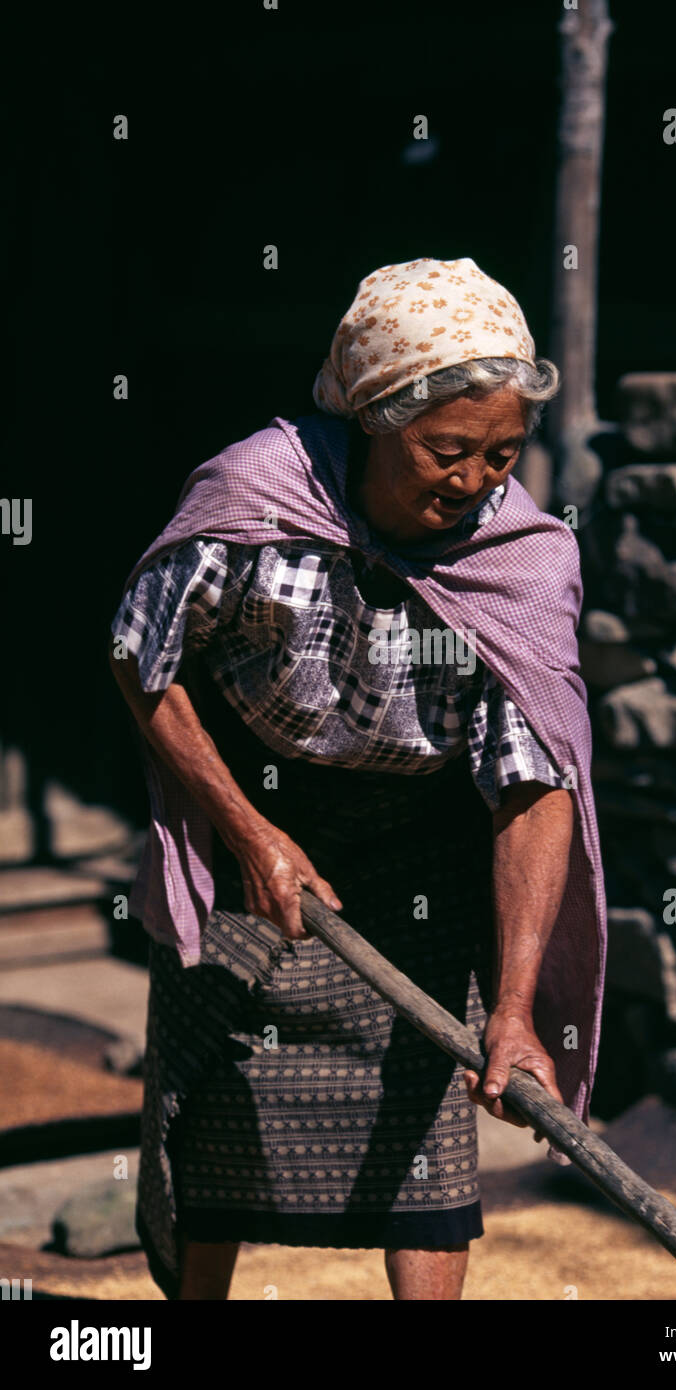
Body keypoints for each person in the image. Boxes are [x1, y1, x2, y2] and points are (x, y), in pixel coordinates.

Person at [109, 256, 606, 1301]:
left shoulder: (520, 556)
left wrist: (512, 1012)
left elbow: (531, 782)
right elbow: (140, 658)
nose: (473, 482)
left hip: (424, 840)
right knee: (214, 1111)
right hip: (253, 815)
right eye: (446, 451)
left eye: (502, 454)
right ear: (375, 418)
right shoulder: (253, 496)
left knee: (423, 1125)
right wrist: (248, 834)